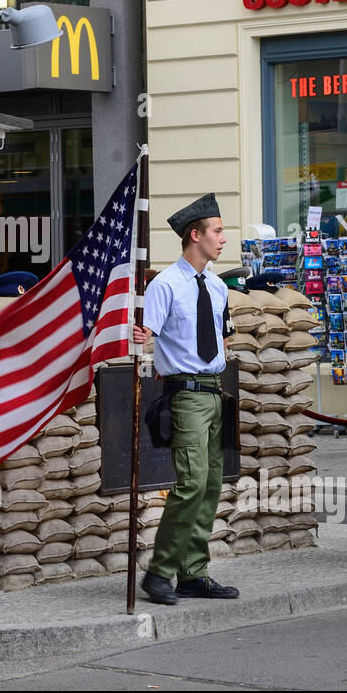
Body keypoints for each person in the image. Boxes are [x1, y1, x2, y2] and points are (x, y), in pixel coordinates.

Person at [131, 192, 239, 605]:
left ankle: (193, 573)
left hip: (214, 393)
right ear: (196, 235)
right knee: (191, 483)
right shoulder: (165, 285)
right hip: (187, 394)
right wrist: (143, 338)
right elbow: (147, 334)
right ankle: (159, 572)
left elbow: (224, 336)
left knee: (210, 485)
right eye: (217, 231)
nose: (223, 239)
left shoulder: (215, 284)